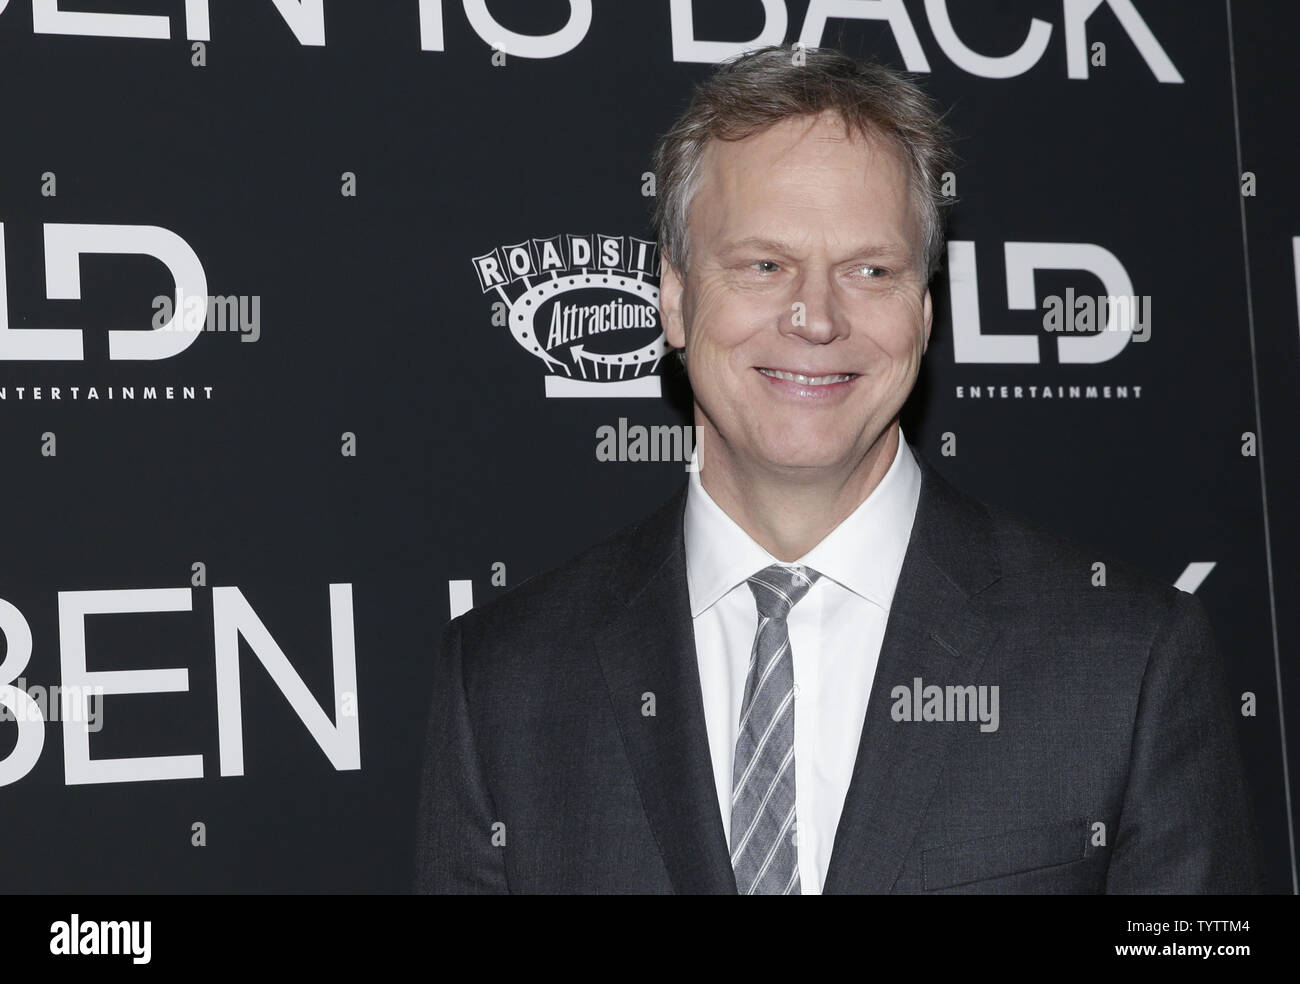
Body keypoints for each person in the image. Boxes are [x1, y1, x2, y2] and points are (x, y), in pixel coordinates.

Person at [412, 45, 1263, 894]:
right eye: (763, 265)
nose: (816, 317)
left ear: (924, 311)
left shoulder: (1127, 660)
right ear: (673, 298)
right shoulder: (506, 681)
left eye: (870, 270)